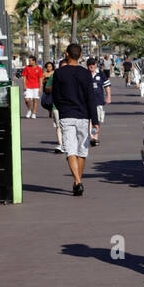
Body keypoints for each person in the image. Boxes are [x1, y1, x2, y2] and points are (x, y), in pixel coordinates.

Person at [50, 44, 99, 196]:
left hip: (66, 115)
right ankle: (78, 180)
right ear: (80, 55)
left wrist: (62, 108)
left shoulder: (59, 73)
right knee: (82, 151)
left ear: (66, 54)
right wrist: (95, 120)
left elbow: (55, 96)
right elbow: (91, 97)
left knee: (70, 149)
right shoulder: (85, 74)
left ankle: (78, 181)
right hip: (83, 116)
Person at [40, 61, 65, 153]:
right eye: (62, 67)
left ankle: (67, 144)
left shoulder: (72, 77)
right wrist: (54, 86)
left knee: (67, 126)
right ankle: (61, 145)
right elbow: (46, 89)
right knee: (59, 126)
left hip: (70, 106)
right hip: (56, 106)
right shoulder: (54, 76)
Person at [86, 57, 111, 146]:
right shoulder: (85, 74)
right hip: (87, 101)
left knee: (97, 120)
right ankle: (92, 137)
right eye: (90, 64)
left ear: (96, 65)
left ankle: (95, 136)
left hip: (98, 101)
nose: (91, 66)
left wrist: (108, 96)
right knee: (89, 120)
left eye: (93, 64)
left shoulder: (101, 74)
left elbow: (107, 86)